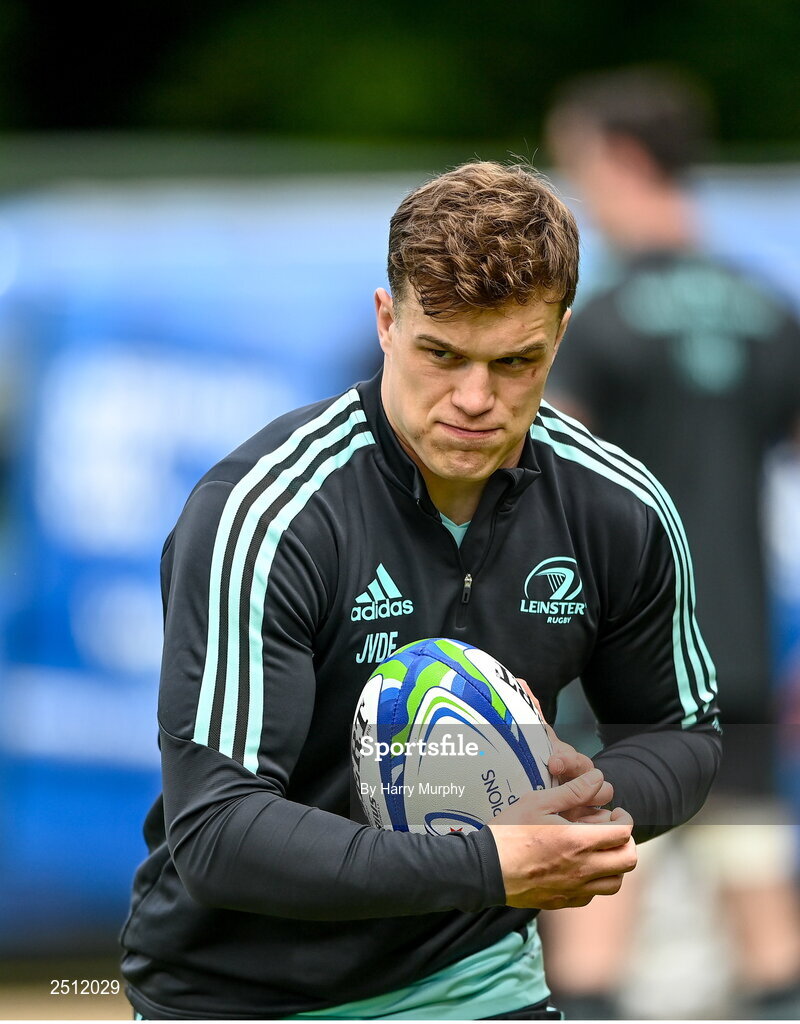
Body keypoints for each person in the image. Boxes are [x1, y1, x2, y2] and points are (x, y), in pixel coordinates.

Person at [119, 160, 720, 1021]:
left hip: (478, 984)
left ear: (562, 333)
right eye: (442, 354)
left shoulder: (616, 506)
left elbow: (682, 732)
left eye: (517, 361)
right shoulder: (267, 514)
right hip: (237, 997)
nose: (475, 399)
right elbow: (219, 831)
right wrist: (496, 863)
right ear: (387, 320)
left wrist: (587, 805)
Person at [542, 67, 800, 1019]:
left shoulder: (595, 324)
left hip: (619, 659)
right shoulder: (772, 312)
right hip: (736, 653)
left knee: (589, 918)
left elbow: (544, 483)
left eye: (576, 166)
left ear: (618, 159)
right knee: (769, 932)